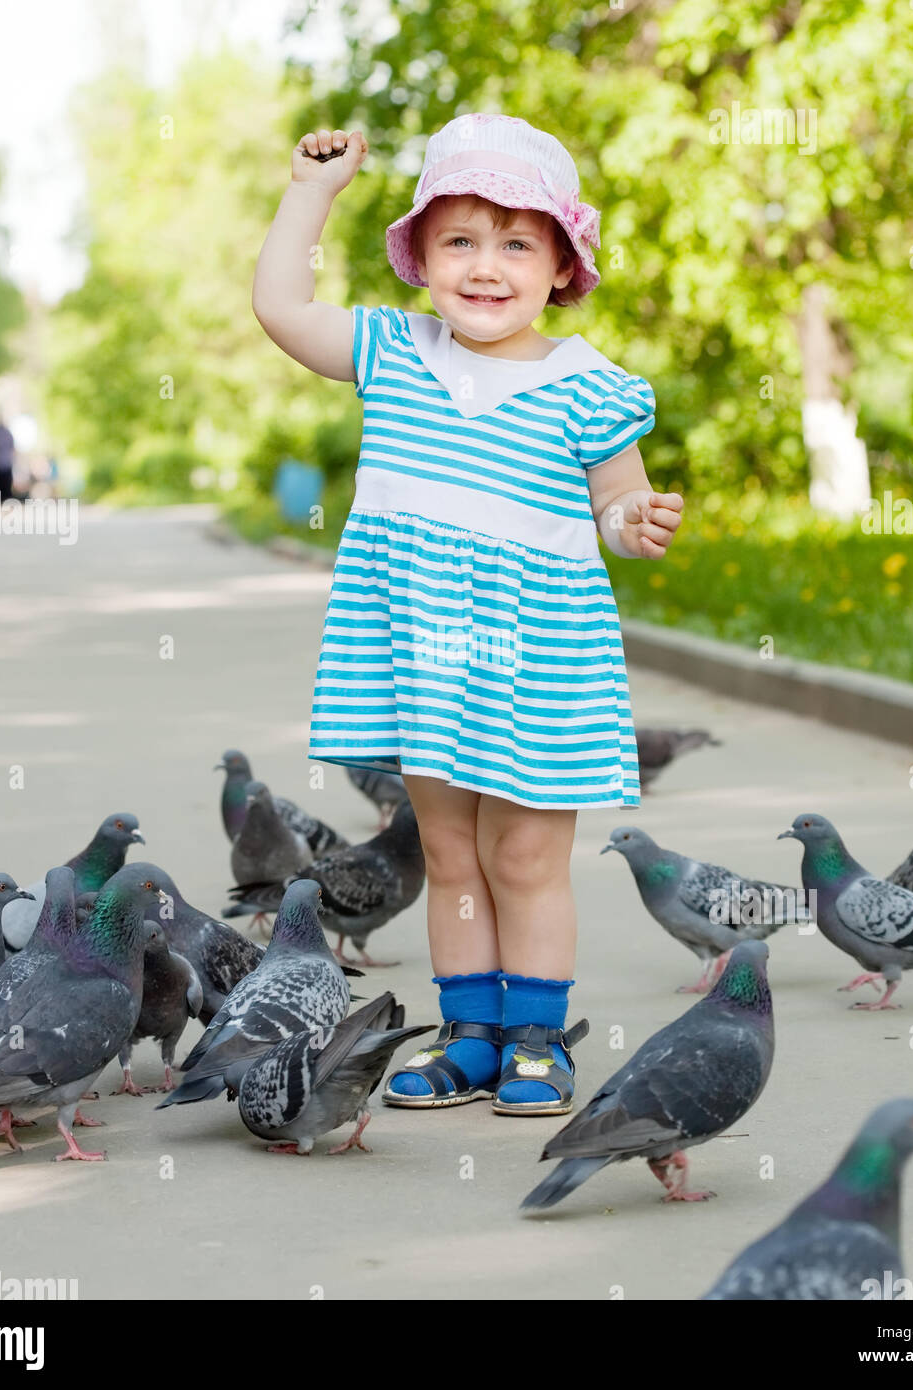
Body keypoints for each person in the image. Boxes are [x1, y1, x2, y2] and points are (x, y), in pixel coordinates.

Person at [252, 114, 684, 1117]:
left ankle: (537, 1035)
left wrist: (635, 522)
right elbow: (280, 305)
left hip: (537, 657)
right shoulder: (392, 350)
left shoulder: (588, 386)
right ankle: (467, 1032)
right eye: (461, 239)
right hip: (421, 656)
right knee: (446, 853)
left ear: (561, 263)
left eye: (516, 241)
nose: (486, 265)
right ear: (422, 258)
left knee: (526, 854)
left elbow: (619, 504)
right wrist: (310, 193)